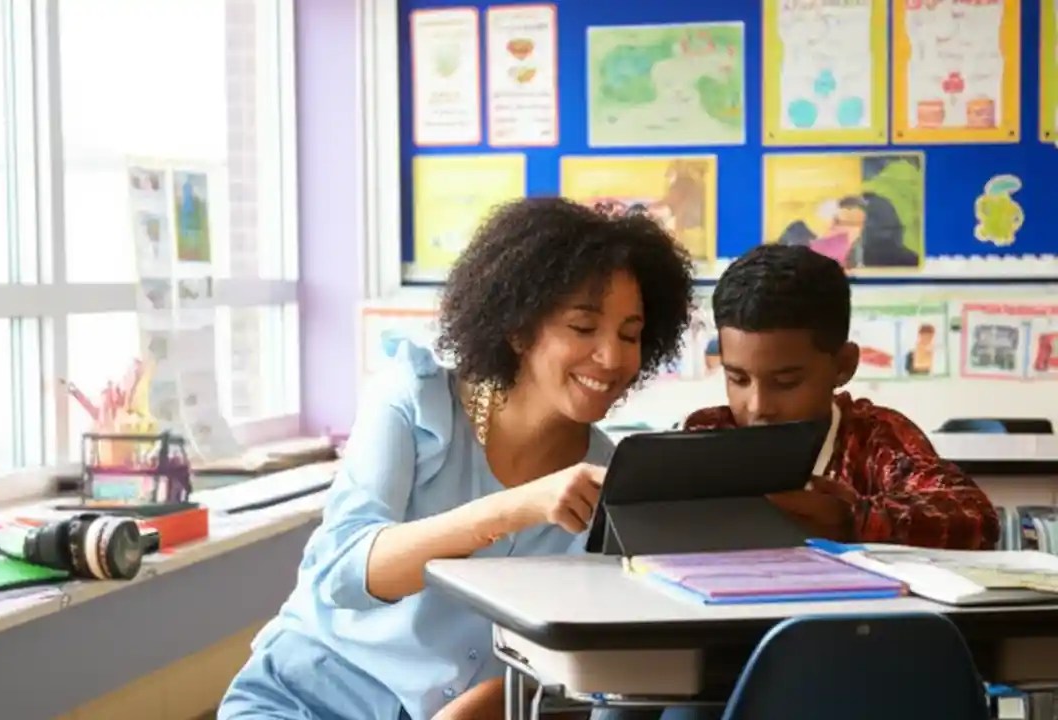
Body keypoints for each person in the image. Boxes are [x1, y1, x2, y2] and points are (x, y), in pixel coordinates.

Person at [217, 197, 695, 720]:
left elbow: (578, 665)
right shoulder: (414, 400)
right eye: (583, 328)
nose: (612, 357)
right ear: (518, 328)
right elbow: (342, 572)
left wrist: (499, 701)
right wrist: (518, 507)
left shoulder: (612, 481)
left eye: (630, 334)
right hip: (307, 697)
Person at [687, 244, 998, 549]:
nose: (758, 407)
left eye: (786, 382)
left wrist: (855, 520)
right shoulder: (708, 435)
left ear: (843, 365)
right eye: (737, 379)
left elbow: (974, 517)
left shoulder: (875, 438)